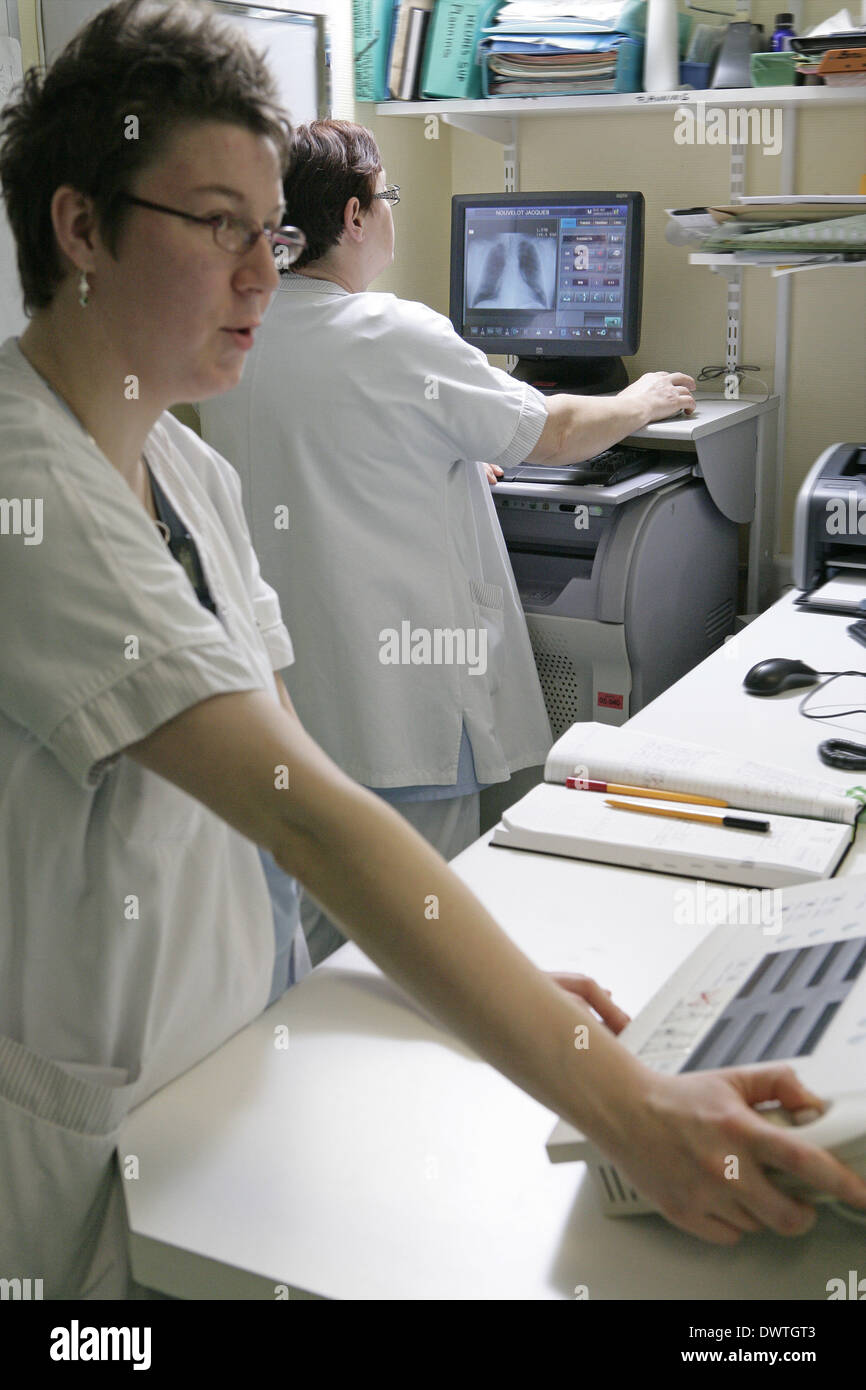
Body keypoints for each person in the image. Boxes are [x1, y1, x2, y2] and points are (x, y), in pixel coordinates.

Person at [1, 0, 864, 1302]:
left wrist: (477, 984)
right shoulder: (32, 490)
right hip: (87, 1148)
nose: (256, 271)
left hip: (229, 1081)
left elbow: (286, 792)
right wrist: (627, 1101)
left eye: (269, 229)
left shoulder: (182, 457)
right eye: (215, 224)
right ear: (80, 227)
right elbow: (313, 822)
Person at [199, 119, 701, 966]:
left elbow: (331, 456)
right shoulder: (396, 333)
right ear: (355, 217)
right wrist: (645, 398)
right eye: (388, 197)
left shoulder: (237, 332)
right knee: (420, 956)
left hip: (295, 720)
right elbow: (556, 431)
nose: (393, 213)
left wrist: (450, 464)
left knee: (323, 958)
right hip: (405, 722)